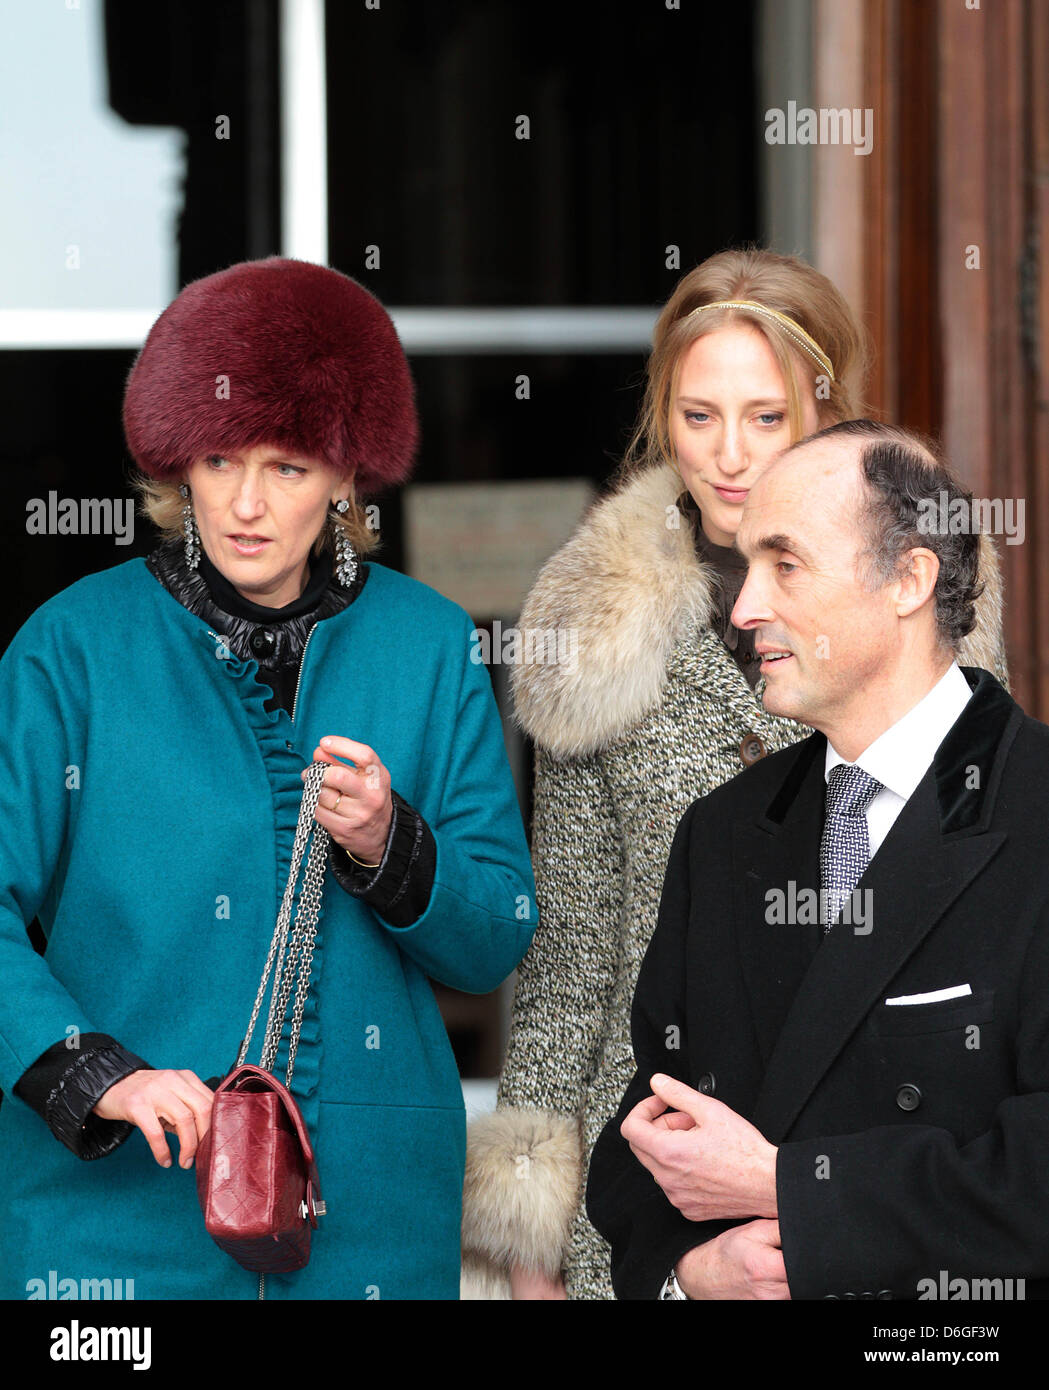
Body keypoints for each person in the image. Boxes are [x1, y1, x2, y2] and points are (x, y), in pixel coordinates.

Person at [459, 249, 1009, 1299]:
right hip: (655, 1167)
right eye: (696, 414)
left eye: (764, 417)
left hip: (879, 1157)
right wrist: (524, 1243)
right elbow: (571, 947)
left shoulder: (928, 607)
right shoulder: (595, 623)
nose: (729, 455)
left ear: (823, 406)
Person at [0, 257, 536, 1301]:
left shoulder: (428, 644)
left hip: (370, 1225)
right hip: (116, 1234)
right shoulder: (68, 650)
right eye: (218, 460)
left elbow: (494, 936)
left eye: (288, 467)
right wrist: (95, 1072)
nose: (245, 504)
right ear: (176, 464)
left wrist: (390, 843)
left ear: (345, 476)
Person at [586, 419, 1049, 1300]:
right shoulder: (721, 833)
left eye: (783, 565)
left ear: (907, 580)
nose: (742, 607)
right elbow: (641, 1129)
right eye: (743, 564)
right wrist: (688, 1273)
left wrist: (791, 1192)